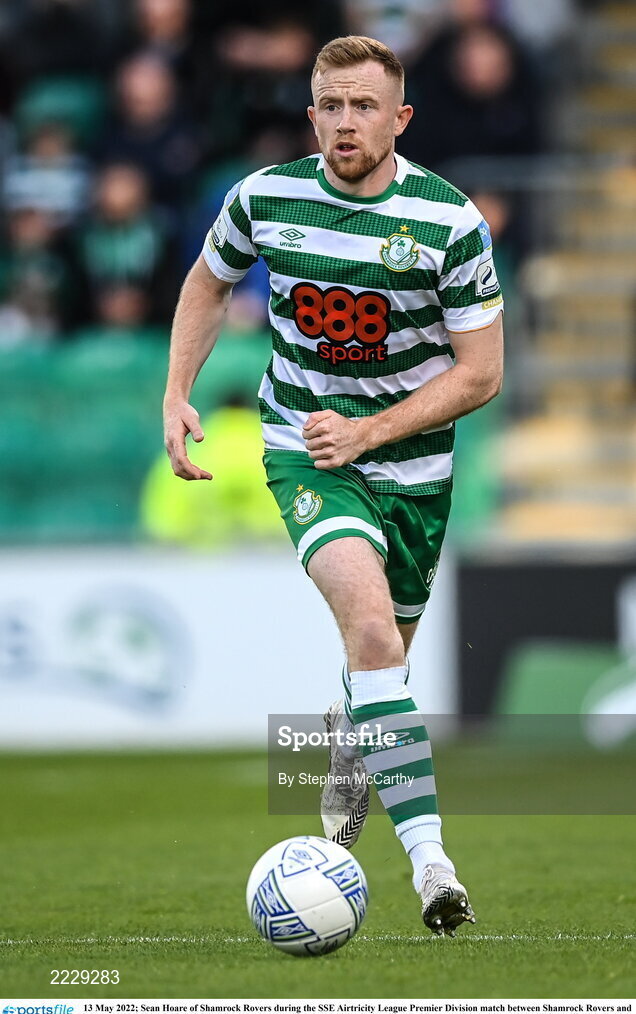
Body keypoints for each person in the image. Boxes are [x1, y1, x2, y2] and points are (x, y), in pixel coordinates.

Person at [163, 35, 503, 936]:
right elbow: (207, 281)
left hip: (414, 463)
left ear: (401, 119)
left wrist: (375, 431)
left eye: (364, 107)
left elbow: (481, 374)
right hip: (306, 446)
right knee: (369, 631)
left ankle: (350, 729)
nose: (346, 123)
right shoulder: (264, 197)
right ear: (310, 113)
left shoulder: (450, 222)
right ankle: (434, 870)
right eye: (330, 106)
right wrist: (176, 392)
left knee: (382, 654)